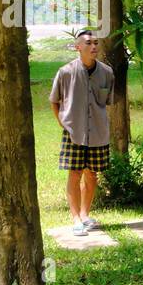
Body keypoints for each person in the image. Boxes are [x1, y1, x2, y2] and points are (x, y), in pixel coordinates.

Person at [49, 29, 115, 236]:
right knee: (74, 173)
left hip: (98, 131)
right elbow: (54, 100)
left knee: (92, 173)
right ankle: (75, 218)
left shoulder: (107, 72)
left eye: (96, 42)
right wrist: (62, 122)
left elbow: (107, 102)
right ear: (78, 47)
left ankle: (86, 215)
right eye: (88, 43)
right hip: (74, 131)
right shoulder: (65, 72)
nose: (93, 46)